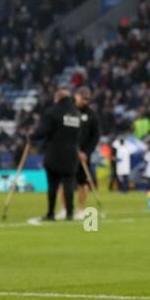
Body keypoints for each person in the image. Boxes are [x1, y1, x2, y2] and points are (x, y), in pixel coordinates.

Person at [30, 88, 84, 221]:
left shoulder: (52, 112)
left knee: (53, 185)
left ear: (57, 98)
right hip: (71, 154)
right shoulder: (76, 114)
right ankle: (70, 213)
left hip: (54, 154)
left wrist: (32, 135)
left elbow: (42, 132)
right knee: (69, 185)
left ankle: (51, 213)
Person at [74, 89, 101, 208]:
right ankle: (64, 209)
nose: (85, 101)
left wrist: (86, 152)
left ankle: (81, 209)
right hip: (68, 152)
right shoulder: (69, 111)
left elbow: (95, 136)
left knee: (82, 182)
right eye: (83, 98)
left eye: (87, 99)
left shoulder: (91, 114)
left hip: (83, 155)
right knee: (64, 182)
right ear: (76, 96)